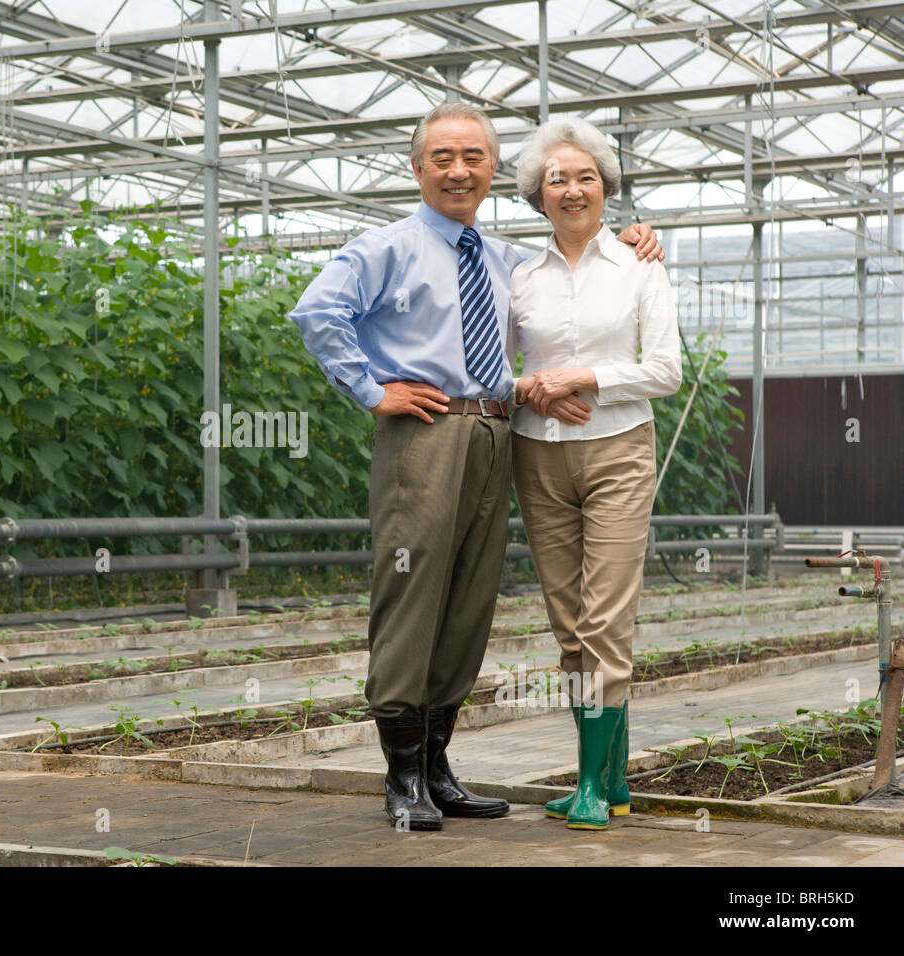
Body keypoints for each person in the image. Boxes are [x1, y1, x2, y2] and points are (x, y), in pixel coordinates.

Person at [288, 102, 663, 831]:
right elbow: (317, 313)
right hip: (425, 434)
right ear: (418, 167)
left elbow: (567, 302)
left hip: (499, 432)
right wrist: (370, 389)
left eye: (474, 158)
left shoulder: (504, 259)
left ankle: (437, 769)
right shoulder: (386, 247)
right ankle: (401, 779)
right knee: (411, 593)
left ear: (494, 170)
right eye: (443, 158)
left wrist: (632, 239)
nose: (459, 170)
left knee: (468, 604)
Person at [508, 117, 682, 831]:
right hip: (537, 452)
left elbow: (666, 370)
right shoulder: (517, 275)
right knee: (568, 622)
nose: (572, 189)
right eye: (557, 179)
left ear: (607, 189)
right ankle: (612, 781)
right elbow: (493, 367)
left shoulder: (642, 265)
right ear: (537, 196)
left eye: (586, 177)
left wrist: (586, 376)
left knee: (605, 613)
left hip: (618, 449)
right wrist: (533, 388)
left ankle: (585, 785)